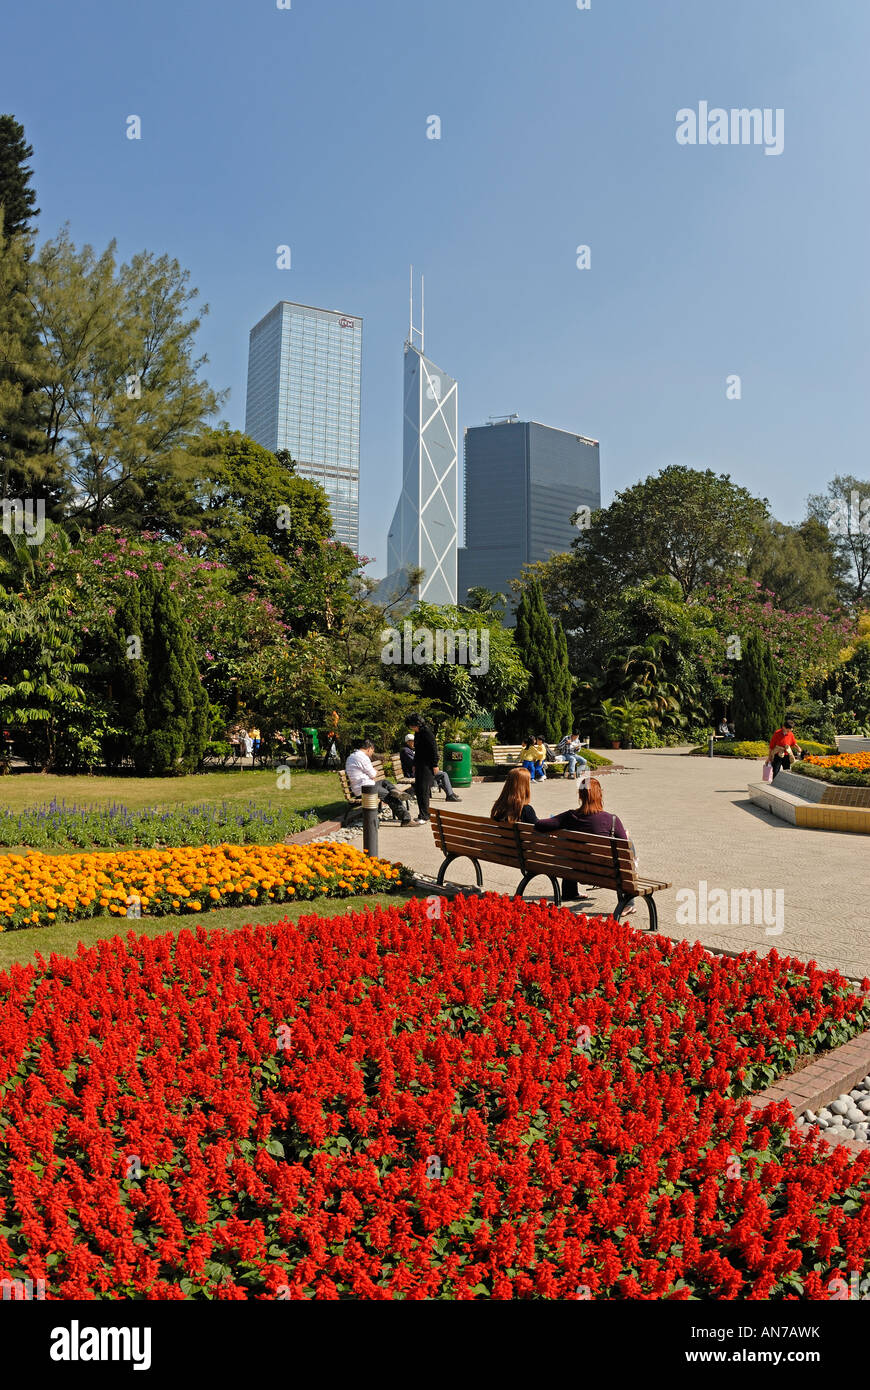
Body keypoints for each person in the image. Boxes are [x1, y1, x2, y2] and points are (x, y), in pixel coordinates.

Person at [534, 776, 636, 911]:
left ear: (580, 796)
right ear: (600, 795)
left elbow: (539, 825)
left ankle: (570, 891)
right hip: (604, 872)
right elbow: (625, 852)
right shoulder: (611, 819)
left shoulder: (570, 816)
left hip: (577, 869)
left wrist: (559, 827)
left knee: (572, 846)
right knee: (628, 843)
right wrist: (626, 836)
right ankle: (628, 904)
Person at [345, 738, 415, 825]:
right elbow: (373, 774)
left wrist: (371, 774)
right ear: (369, 748)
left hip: (362, 786)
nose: (372, 753)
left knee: (384, 782)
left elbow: (370, 774)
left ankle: (396, 791)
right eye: (372, 751)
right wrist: (373, 773)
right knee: (390, 796)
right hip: (366, 789)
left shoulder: (352, 756)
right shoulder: (363, 757)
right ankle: (406, 820)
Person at [400, 734, 462, 801]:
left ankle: (450, 793)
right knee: (443, 775)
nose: (414, 742)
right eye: (412, 741)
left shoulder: (411, 750)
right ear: (407, 742)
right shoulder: (405, 751)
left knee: (440, 776)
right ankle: (450, 795)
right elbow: (416, 763)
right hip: (415, 774)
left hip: (419, 772)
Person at [407, 713, 439, 824]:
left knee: (424, 790)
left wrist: (435, 764)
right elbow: (418, 751)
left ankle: (425, 816)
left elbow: (434, 749)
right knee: (419, 790)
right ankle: (422, 814)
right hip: (420, 765)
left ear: (417, 724)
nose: (411, 728)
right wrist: (415, 764)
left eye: (412, 725)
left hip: (427, 766)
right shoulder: (418, 733)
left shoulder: (427, 733)